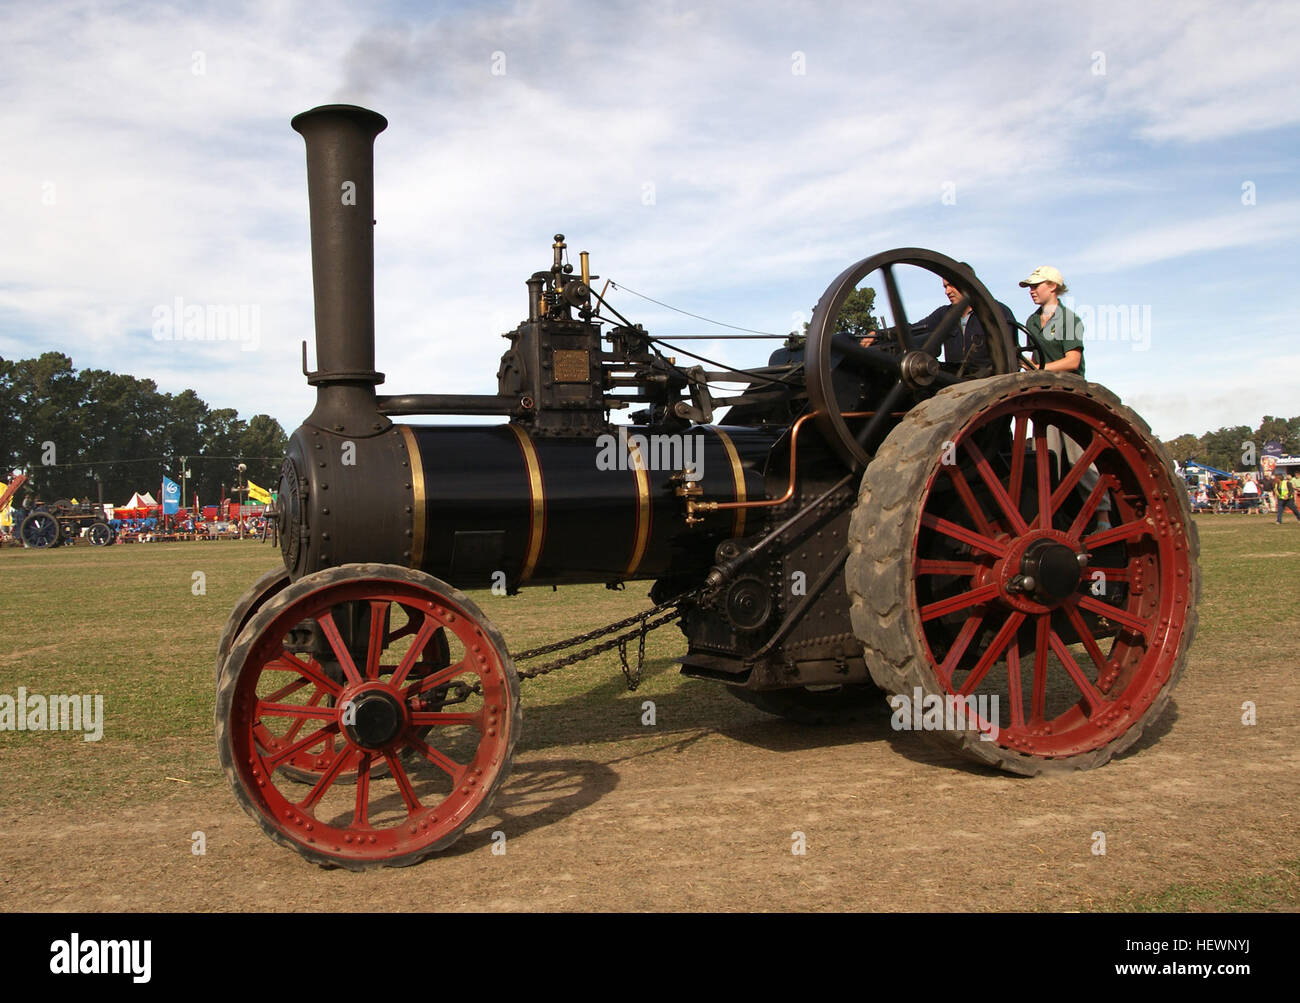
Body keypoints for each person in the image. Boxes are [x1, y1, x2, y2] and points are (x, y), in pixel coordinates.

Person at [1016, 265, 1110, 530]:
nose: (1032, 291)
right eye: (1030, 287)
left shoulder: (1069, 320)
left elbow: (1072, 360)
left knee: (1080, 460)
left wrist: (1039, 371)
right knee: (1049, 461)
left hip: (1070, 396)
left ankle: (1103, 516)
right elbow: (1034, 358)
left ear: (1053, 287)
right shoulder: (1033, 321)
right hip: (1045, 396)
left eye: (1036, 286)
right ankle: (1055, 519)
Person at [860, 263, 1016, 375]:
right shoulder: (944, 315)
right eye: (945, 287)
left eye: (952, 285)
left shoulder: (998, 312)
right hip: (956, 379)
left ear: (969, 283)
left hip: (988, 381)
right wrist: (879, 335)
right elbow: (914, 330)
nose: (948, 291)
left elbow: (1010, 355)